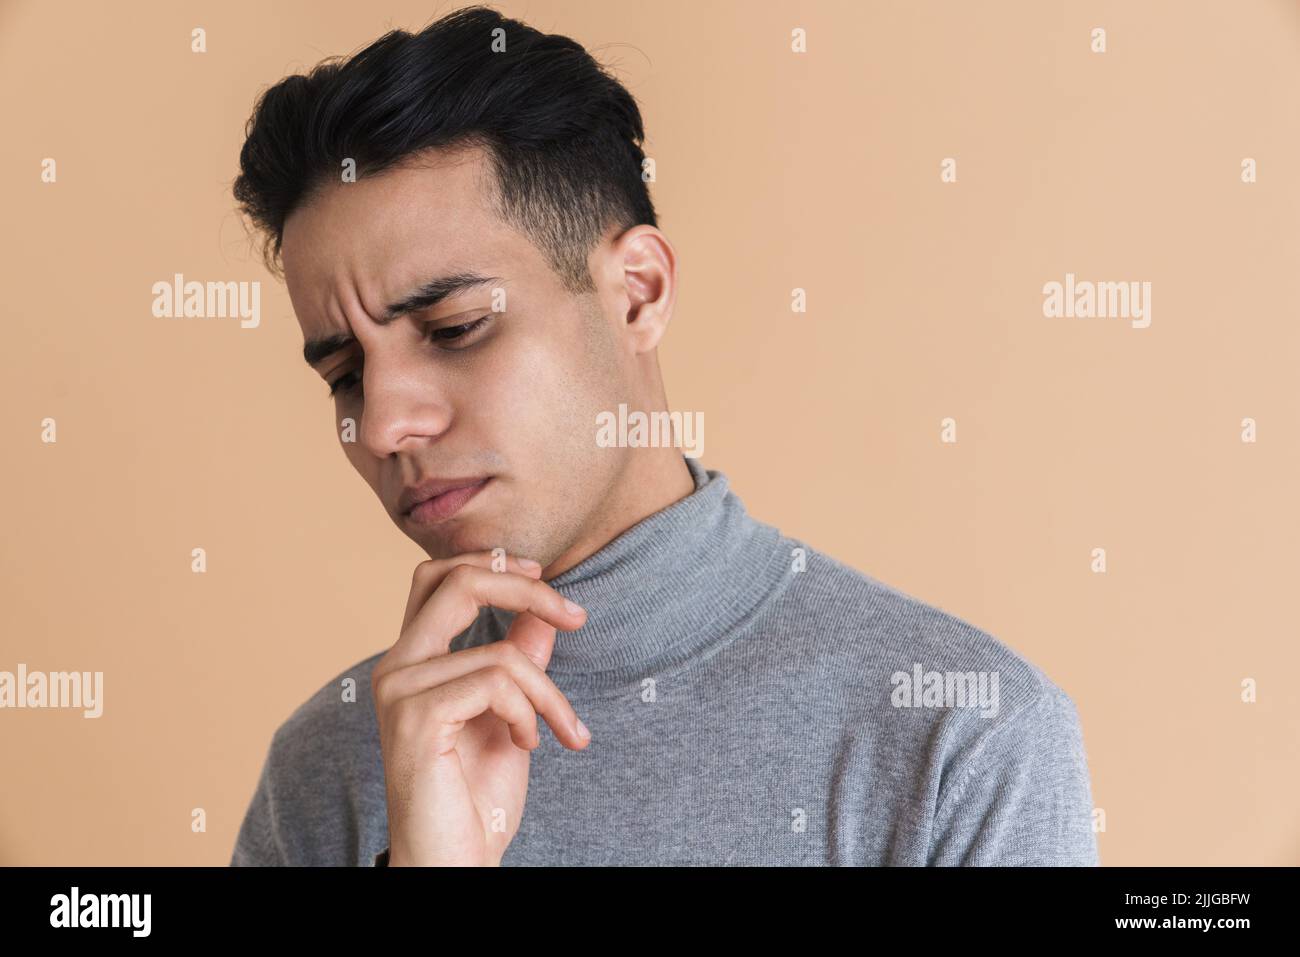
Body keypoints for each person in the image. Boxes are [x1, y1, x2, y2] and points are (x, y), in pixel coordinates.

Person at [229, 5, 1098, 866]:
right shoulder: (327, 771)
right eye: (344, 374)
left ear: (637, 292)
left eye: (455, 328)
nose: (383, 423)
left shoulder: (962, 742)